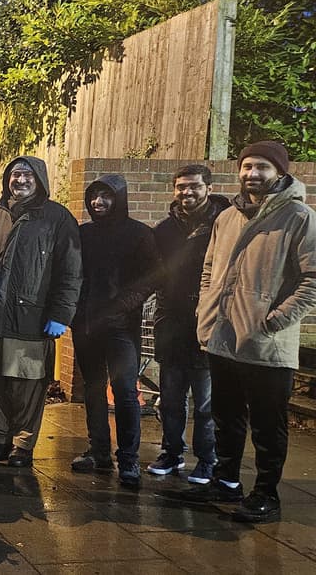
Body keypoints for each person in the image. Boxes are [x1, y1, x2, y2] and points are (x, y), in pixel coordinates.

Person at [172, 142, 316, 523]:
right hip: (224, 339)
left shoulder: (299, 217)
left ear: (280, 173)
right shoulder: (227, 217)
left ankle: (266, 494)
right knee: (226, 418)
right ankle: (226, 482)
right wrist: (207, 310)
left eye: (262, 168)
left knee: (268, 425)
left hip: (267, 345)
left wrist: (273, 320)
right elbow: (209, 271)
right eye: (247, 166)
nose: (252, 174)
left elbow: (312, 280)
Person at [0, 156, 82, 468]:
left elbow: (70, 271)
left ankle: (22, 444)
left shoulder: (57, 218)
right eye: (15, 174)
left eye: (28, 175)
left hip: (31, 317)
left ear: (39, 179)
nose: (21, 180)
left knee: (26, 384)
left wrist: (61, 314)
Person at [70, 174, 160, 488]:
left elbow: (152, 276)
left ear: (119, 198)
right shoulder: (83, 234)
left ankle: (129, 459)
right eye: (94, 196)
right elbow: (72, 273)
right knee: (93, 390)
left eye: (105, 196)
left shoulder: (139, 234)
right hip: (86, 324)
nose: (98, 203)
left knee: (124, 392)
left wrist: (125, 304)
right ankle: (99, 452)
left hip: (122, 327)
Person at [148, 165, 229, 483]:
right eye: (181, 187)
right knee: (171, 397)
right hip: (173, 325)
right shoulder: (164, 231)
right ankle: (172, 451)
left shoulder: (222, 224)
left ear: (209, 188)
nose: (187, 192)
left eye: (194, 187)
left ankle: (208, 459)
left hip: (208, 323)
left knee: (206, 402)